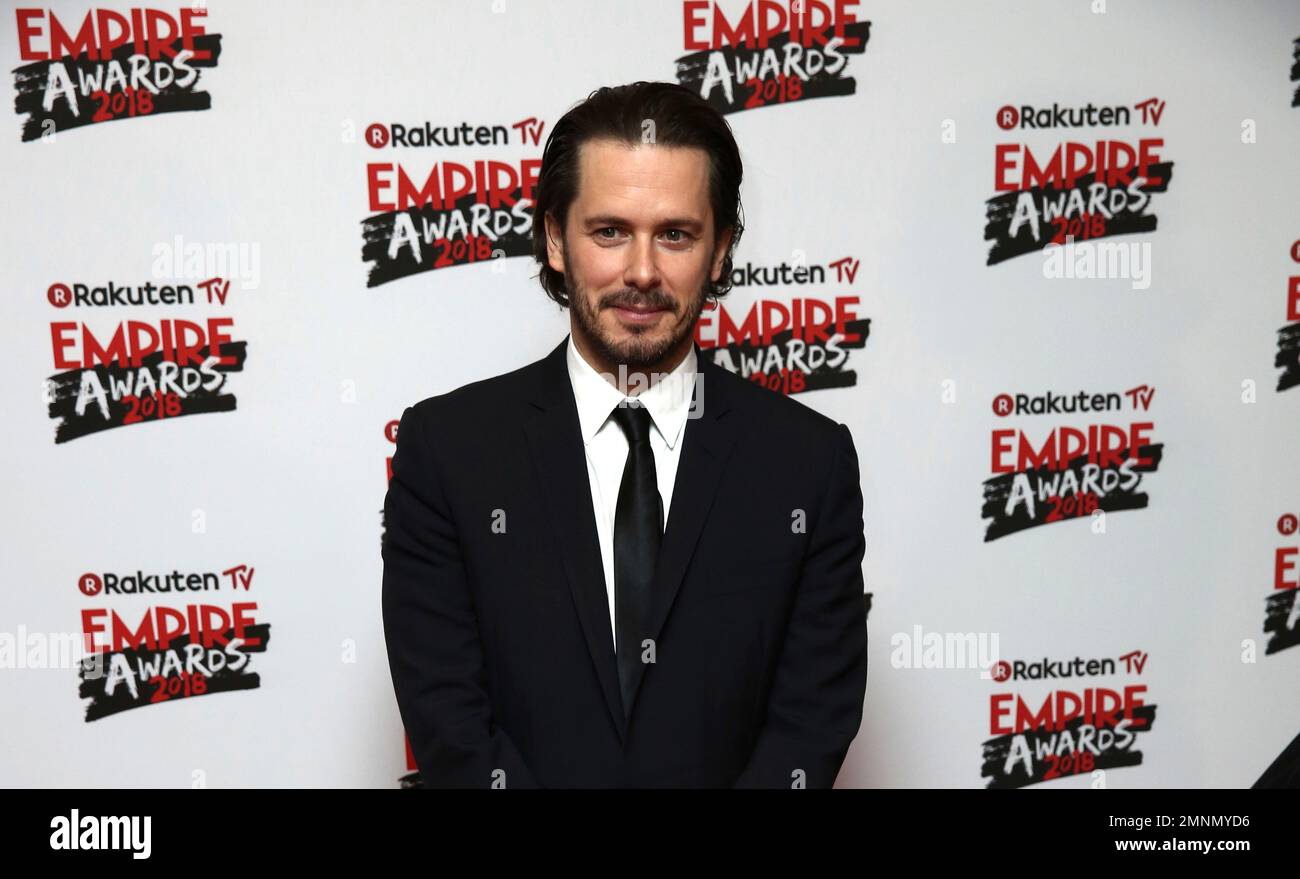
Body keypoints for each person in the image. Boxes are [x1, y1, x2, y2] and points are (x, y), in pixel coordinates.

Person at [381, 81, 867, 788]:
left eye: (676, 234)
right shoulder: (449, 451)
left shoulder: (807, 463)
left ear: (722, 250)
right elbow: (449, 720)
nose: (642, 272)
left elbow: (810, 722)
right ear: (555, 238)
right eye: (609, 231)